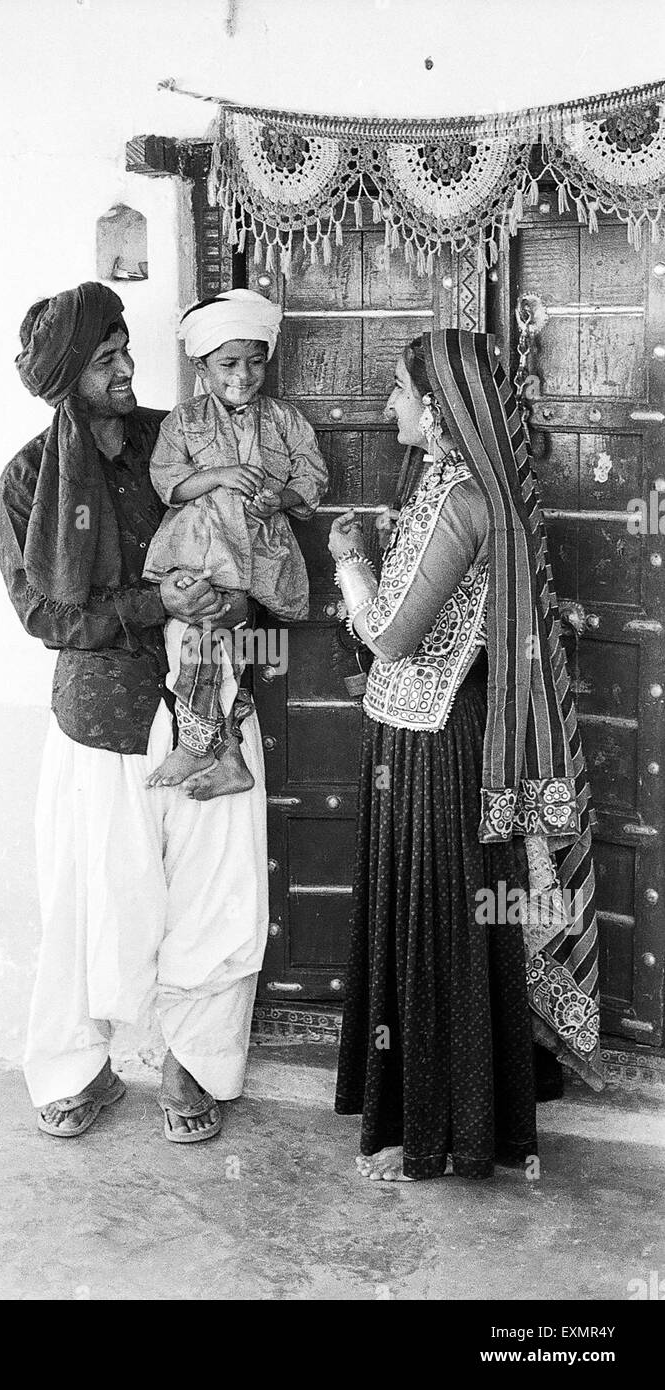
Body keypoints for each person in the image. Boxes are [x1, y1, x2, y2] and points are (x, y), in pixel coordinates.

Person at [0, 281, 269, 1145]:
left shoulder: (177, 439)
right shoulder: (28, 481)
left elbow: (244, 533)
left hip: (209, 699)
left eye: (125, 350)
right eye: (105, 359)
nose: (126, 368)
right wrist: (156, 605)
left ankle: (193, 1064)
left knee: (219, 887)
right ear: (66, 378)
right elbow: (45, 615)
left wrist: (233, 603)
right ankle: (80, 1069)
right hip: (102, 719)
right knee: (94, 898)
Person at [329, 329, 603, 1182]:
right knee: (438, 922)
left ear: (438, 409)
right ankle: (444, 1119)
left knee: (440, 926)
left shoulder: (460, 501)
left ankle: (445, 1132)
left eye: (400, 395)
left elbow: (390, 635)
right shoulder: (449, 487)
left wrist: (347, 564)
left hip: (438, 746)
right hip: (420, 734)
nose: (388, 410)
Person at [143, 289, 328, 796]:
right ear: (202, 368)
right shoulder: (183, 420)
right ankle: (227, 755)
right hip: (197, 551)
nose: (242, 375)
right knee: (215, 648)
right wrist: (219, 474)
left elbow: (314, 478)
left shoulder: (285, 419)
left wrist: (281, 497)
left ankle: (199, 745)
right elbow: (169, 484)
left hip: (257, 560)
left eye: (254, 362)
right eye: (227, 363)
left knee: (222, 643)